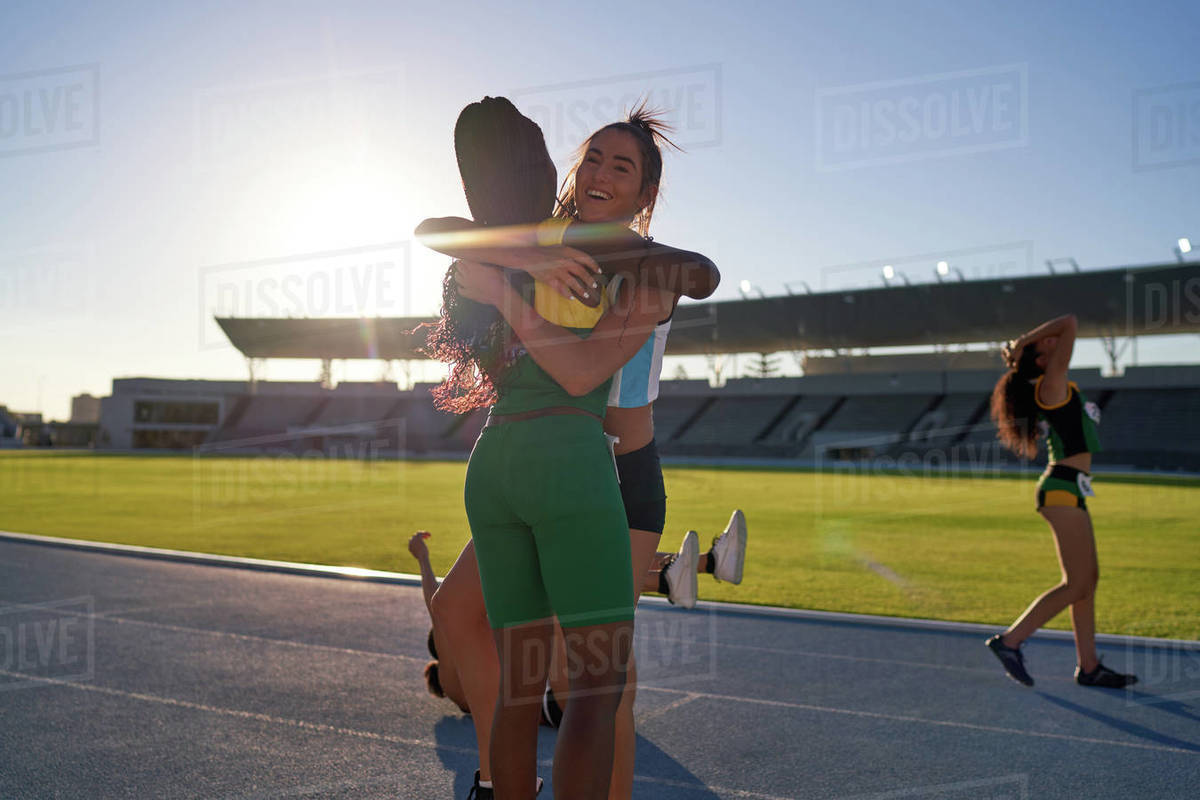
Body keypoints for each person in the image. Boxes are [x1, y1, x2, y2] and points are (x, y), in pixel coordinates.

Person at [424, 104, 742, 799]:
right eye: (592, 156)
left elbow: (702, 273)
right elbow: (435, 231)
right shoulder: (542, 238)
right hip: (568, 459)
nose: (598, 171)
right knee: (591, 683)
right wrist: (525, 257)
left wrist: (508, 280)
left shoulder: (644, 269)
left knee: (544, 685)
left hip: (548, 465)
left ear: (644, 194)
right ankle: (679, 570)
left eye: (620, 166)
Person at [984, 314, 1136, 689]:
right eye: (1047, 344)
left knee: (1087, 582)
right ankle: (1010, 641)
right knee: (1077, 583)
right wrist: (1022, 341)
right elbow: (1068, 322)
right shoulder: (1051, 384)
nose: (1055, 341)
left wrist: (1029, 344)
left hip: (1072, 488)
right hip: (1060, 488)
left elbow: (1063, 330)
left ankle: (1089, 667)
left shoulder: (1055, 384)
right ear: (1040, 360)